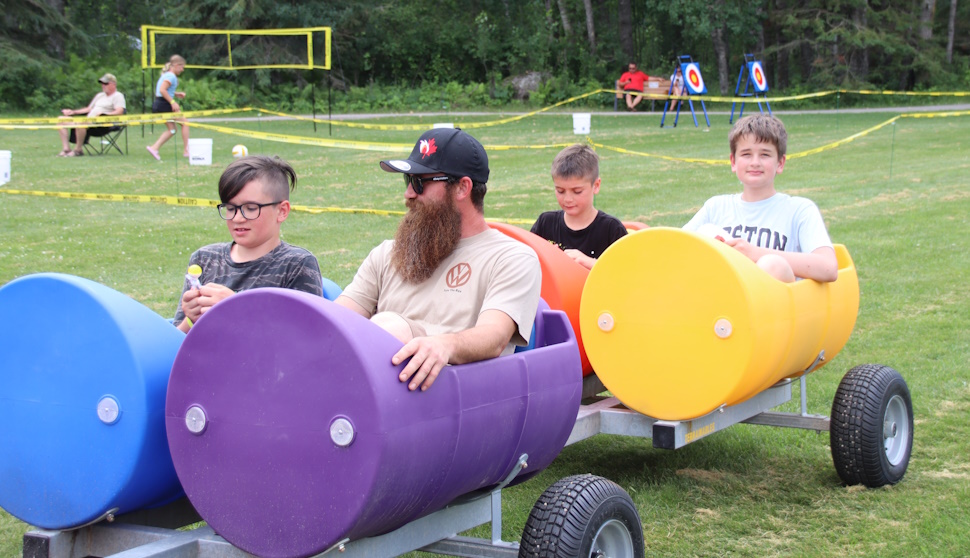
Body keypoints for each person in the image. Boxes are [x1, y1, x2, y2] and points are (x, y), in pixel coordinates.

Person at [336, 128, 542, 392]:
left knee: (390, 328)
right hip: (378, 390)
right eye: (407, 181)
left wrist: (443, 346)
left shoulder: (511, 258)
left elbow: (494, 337)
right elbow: (338, 321)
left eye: (420, 182)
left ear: (462, 188)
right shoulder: (387, 253)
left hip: (461, 396)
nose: (409, 193)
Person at [173, 156, 323, 332]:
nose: (237, 218)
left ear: (282, 211)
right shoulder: (204, 259)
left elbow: (304, 339)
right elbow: (176, 343)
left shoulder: (297, 264)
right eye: (230, 208)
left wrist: (238, 308)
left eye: (251, 208)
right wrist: (191, 320)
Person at [683, 114, 838, 283]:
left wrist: (754, 253)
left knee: (772, 264)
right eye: (746, 154)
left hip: (778, 305)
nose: (755, 162)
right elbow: (676, 246)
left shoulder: (799, 209)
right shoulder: (716, 207)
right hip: (723, 301)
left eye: (765, 154)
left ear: (780, 163)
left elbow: (828, 267)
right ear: (733, 161)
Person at [530, 144, 627, 269]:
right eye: (560, 191)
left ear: (596, 186)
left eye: (577, 191)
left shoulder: (611, 229)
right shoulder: (545, 223)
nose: (568, 199)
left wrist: (591, 263)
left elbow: (627, 273)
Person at [56, 73, 126, 157]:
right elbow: (89, 109)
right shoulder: (99, 95)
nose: (103, 85)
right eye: (102, 83)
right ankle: (66, 149)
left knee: (81, 124)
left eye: (106, 83)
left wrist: (105, 115)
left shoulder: (118, 96)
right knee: (61, 119)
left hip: (102, 125)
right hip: (89, 121)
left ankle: (78, 150)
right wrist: (73, 112)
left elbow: (119, 111)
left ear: (113, 84)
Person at [146, 54, 189, 161]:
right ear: (176, 65)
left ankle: (154, 148)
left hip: (159, 104)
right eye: (182, 67)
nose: (182, 70)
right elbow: (162, 90)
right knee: (185, 123)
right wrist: (173, 102)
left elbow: (165, 91)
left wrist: (176, 94)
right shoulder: (171, 76)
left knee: (173, 130)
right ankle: (186, 151)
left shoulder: (166, 75)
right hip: (164, 104)